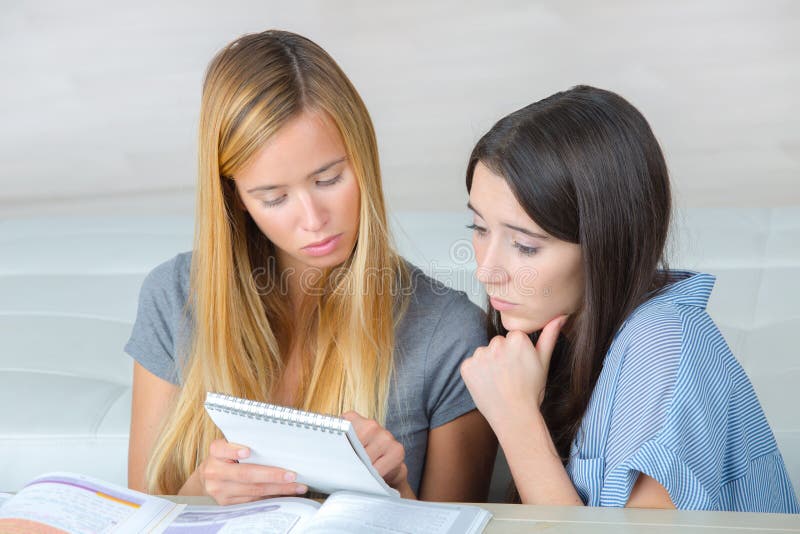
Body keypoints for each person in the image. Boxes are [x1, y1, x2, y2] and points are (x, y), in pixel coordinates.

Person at [125, 29, 496, 504]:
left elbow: (455, 522)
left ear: (364, 157)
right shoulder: (174, 298)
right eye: (273, 197)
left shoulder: (449, 333)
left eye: (329, 178)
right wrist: (201, 490)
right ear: (234, 198)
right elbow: (139, 516)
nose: (314, 220)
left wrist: (398, 493)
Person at [459, 85, 799, 512]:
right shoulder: (556, 335)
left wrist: (517, 423)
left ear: (606, 243)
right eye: (478, 228)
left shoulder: (662, 345)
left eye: (525, 246)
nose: (486, 271)